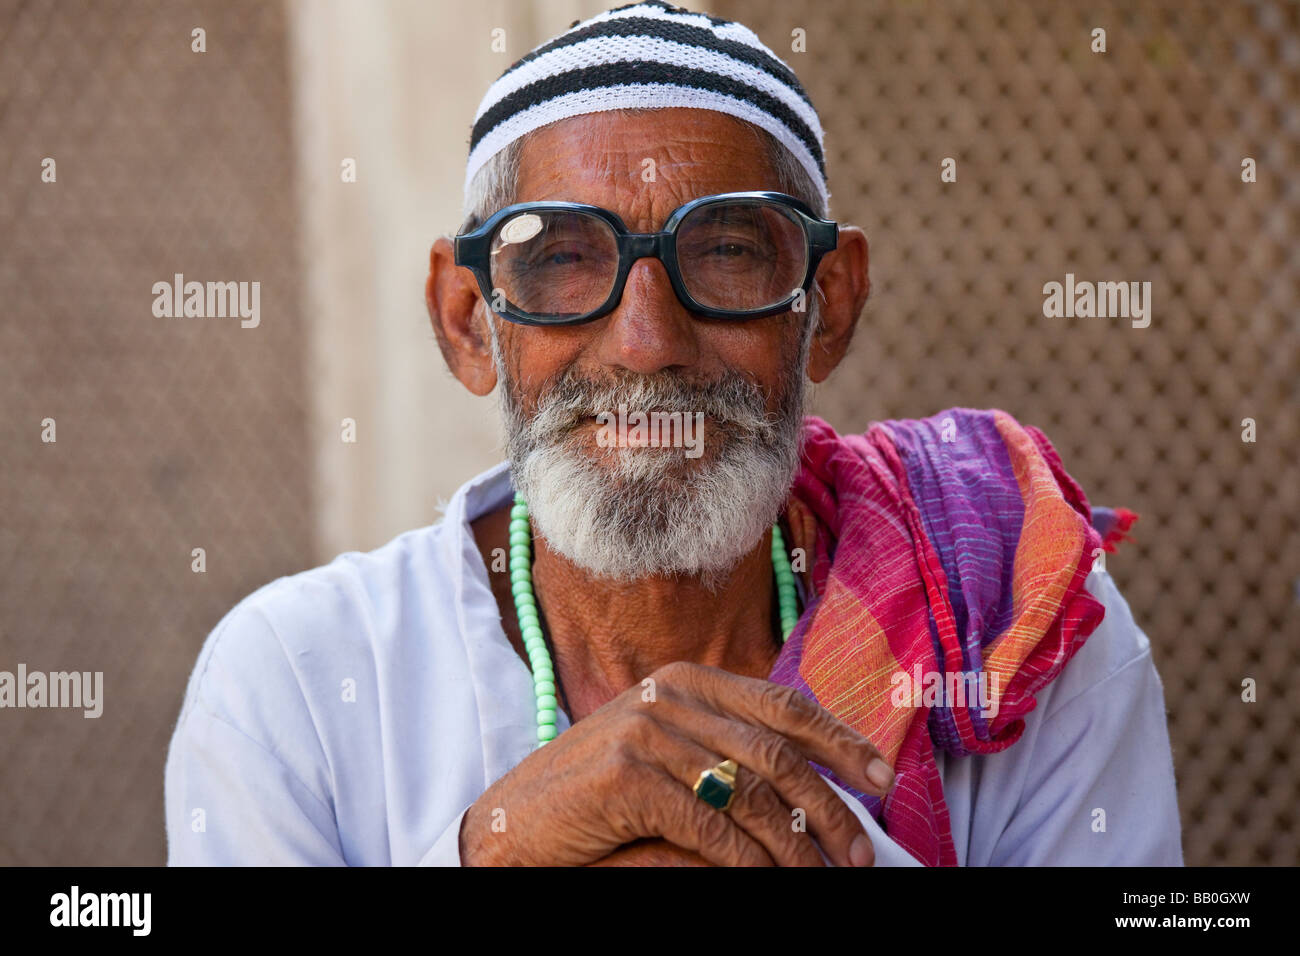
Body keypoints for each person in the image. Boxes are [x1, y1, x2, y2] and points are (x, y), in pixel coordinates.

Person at [165, 0, 1182, 866]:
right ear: (470, 320)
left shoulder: (1018, 625)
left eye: (728, 250)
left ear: (826, 305)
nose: (647, 343)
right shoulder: (292, 678)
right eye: (562, 258)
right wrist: (500, 847)